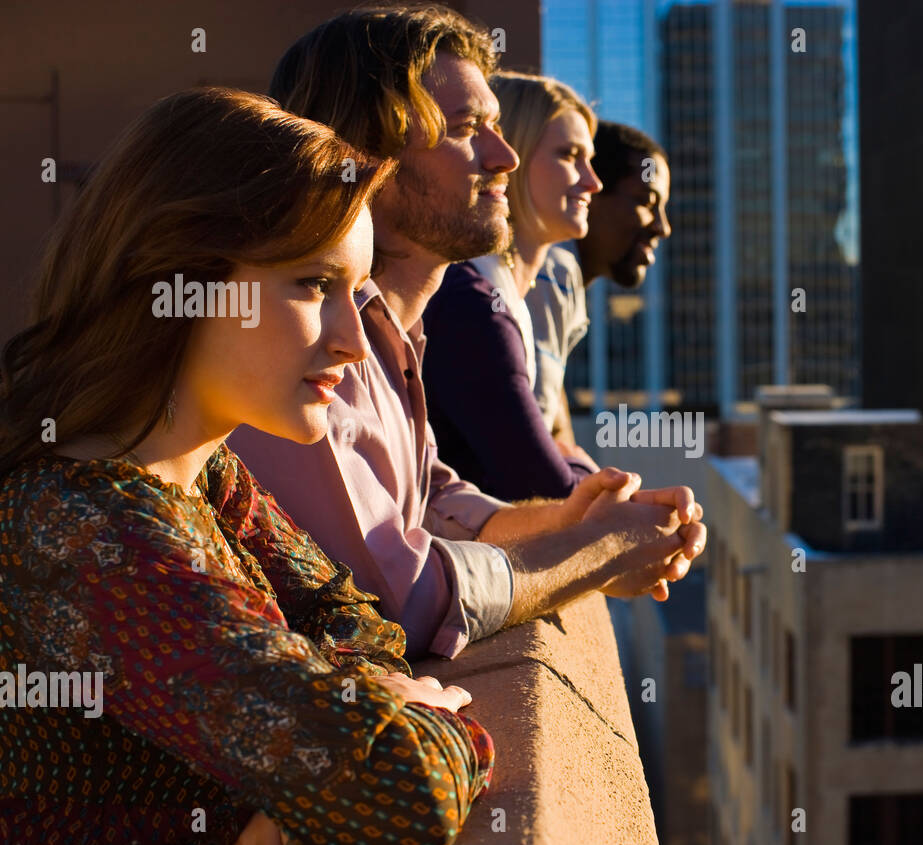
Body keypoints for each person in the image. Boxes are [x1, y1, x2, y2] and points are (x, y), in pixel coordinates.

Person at [0, 87, 492, 845]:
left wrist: (356, 701)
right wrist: (398, 717)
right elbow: (402, 789)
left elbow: (352, 614)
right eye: (310, 285)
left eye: (354, 295)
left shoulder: (204, 470)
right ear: (177, 276)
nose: (353, 344)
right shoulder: (81, 529)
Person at [228, 5, 707, 664]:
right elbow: (406, 601)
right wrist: (593, 553)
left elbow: (433, 497)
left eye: (497, 127)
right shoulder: (300, 341)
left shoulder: (401, 327)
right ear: (368, 158)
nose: (503, 156)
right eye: (466, 129)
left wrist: (575, 524)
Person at [422, 71, 603, 501]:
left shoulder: (511, 295)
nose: (592, 181)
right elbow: (546, 490)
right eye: (569, 155)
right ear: (513, 157)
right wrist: (581, 466)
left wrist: (571, 457)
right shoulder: (471, 305)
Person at [526, 120, 673, 454]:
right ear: (589, 192)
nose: (663, 227)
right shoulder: (549, 273)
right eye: (647, 201)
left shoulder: (561, 281)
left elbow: (554, 438)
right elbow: (530, 453)